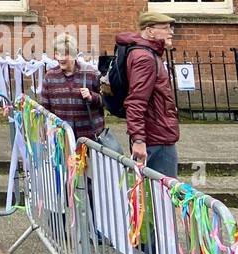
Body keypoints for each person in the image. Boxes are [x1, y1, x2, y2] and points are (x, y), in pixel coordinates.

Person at [119, 10, 180, 178]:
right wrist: (138, 140)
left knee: (160, 195)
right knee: (165, 196)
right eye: (166, 27)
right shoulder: (145, 58)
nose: (171, 32)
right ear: (150, 31)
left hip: (158, 133)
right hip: (157, 137)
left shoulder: (147, 54)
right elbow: (136, 101)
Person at [37, 34, 108, 145]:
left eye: (65, 54)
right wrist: (45, 133)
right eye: (57, 53)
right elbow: (45, 110)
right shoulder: (50, 77)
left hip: (90, 142)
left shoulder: (91, 73)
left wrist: (92, 97)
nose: (60, 58)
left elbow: (107, 101)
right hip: (63, 142)